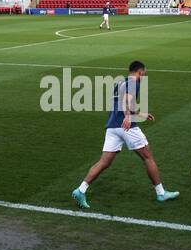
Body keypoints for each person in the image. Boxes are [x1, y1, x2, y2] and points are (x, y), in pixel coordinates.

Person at [72, 61, 178, 208]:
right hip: (126, 126)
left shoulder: (121, 82)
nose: (144, 76)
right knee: (147, 156)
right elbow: (127, 101)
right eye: (144, 74)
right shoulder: (135, 82)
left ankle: (80, 189)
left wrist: (140, 114)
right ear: (140, 72)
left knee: (104, 162)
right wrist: (128, 117)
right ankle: (161, 193)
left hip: (112, 126)